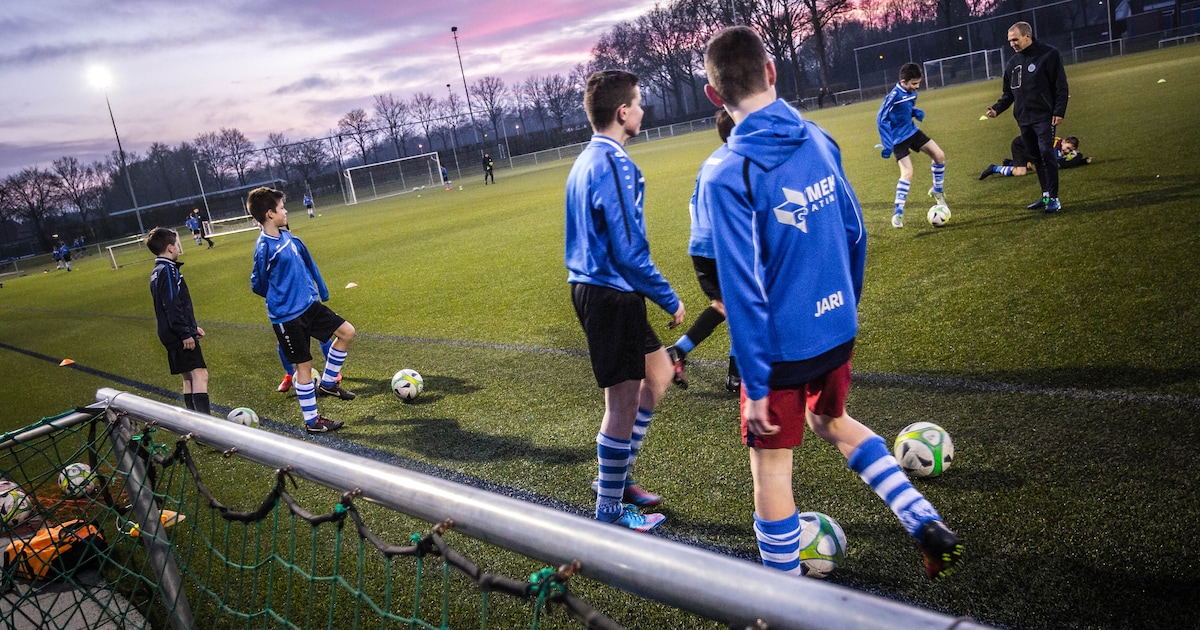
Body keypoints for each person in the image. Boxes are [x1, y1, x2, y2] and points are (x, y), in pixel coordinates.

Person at [699, 25, 962, 579]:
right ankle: (922, 519)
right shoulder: (819, 137)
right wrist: (847, 305)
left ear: (713, 96)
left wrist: (754, 382)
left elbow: (740, 287)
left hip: (781, 348)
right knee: (832, 420)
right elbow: (855, 231)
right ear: (772, 73)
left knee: (772, 469)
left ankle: (785, 597)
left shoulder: (726, 172)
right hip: (837, 325)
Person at [565, 69, 685, 532]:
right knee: (622, 404)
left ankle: (616, 479)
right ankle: (610, 511)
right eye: (638, 103)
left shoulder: (586, 160)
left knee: (657, 375)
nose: (642, 110)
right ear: (622, 112)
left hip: (606, 289)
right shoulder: (614, 164)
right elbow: (629, 250)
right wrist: (668, 297)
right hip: (611, 292)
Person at [249, 187, 356, 433]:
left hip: (309, 306)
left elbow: (305, 268)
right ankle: (312, 422)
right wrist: (281, 298)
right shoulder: (264, 247)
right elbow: (258, 284)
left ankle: (328, 383)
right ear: (269, 213)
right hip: (287, 317)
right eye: (281, 208)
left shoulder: (288, 238)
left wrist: (315, 292)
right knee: (304, 366)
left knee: (347, 332)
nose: (285, 211)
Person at [666, 109, 740, 393]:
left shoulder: (712, 159)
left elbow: (692, 203)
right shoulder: (739, 160)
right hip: (722, 246)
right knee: (744, 306)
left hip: (700, 244)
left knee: (723, 306)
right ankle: (737, 375)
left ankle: (679, 351)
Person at [985, 21, 1069, 212]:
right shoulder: (1012, 63)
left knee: (1047, 154)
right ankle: (1046, 196)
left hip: (1044, 116)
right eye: (1009, 41)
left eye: (1015, 39)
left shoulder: (1049, 54)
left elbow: (1061, 85)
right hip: (1023, 119)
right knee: (1036, 157)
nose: (1012, 44)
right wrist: (997, 109)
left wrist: (1058, 110)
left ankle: (1054, 198)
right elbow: (1008, 94)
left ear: (1027, 36)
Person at [146, 227, 211, 416]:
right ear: (170, 248)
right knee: (200, 374)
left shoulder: (156, 271)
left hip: (169, 331)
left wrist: (191, 327)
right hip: (178, 333)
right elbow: (172, 304)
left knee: (188, 378)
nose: (178, 247)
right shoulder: (168, 270)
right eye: (176, 244)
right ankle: (206, 428)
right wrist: (185, 332)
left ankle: (194, 424)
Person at [877, 62, 947, 228]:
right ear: (903, 82)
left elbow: (908, 107)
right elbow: (881, 119)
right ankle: (898, 213)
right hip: (898, 140)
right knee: (907, 173)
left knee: (939, 155)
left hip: (912, 132)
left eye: (918, 83)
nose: (917, 87)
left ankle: (937, 189)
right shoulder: (893, 96)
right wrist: (887, 144)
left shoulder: (912, 92)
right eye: (914, 84)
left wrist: (915, 112)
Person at [980, 135, 1091, 179]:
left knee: (1038, 166)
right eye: (1068, 148)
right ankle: (994, 168)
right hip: (1021, 146)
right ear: (1064, 141)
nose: (1067, 151)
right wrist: (1080, 159)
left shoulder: (1058, 146)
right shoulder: (1054, 144)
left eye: (1070, 150)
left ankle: (1010, 163)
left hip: (1029, 148)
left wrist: (1082, 161)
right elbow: (1062, 164)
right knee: (1022, 172)